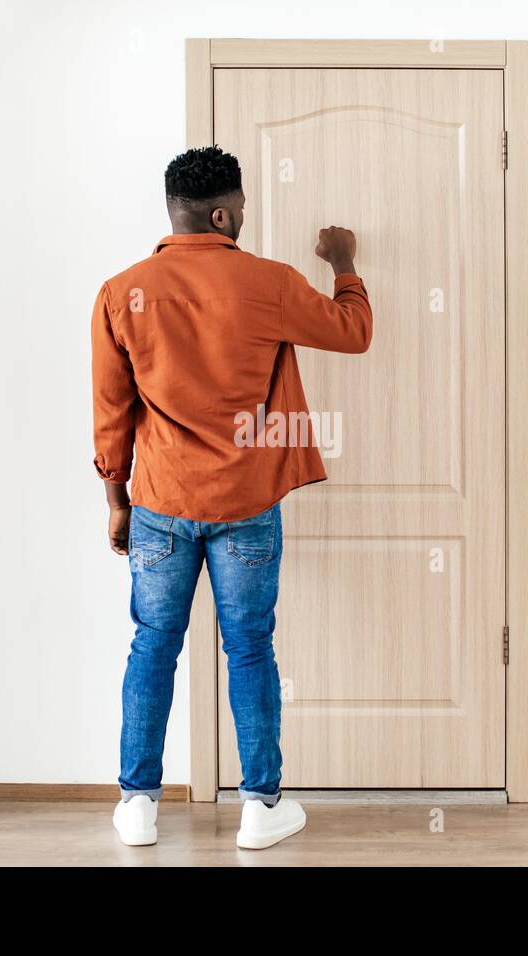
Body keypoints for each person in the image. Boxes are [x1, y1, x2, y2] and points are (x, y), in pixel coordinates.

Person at [90, 145, 373, 849]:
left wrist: (116, 499)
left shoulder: (120, 292)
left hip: (158, 501)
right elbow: (354, 332)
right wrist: (342, 265)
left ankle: (138, 807)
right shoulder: (268, 283)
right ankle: (261, 808)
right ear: (223, 212)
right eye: (241, 208)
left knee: (152, 646)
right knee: (249, 648)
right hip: (246, 503)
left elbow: (110, 409)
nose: (244, 216)